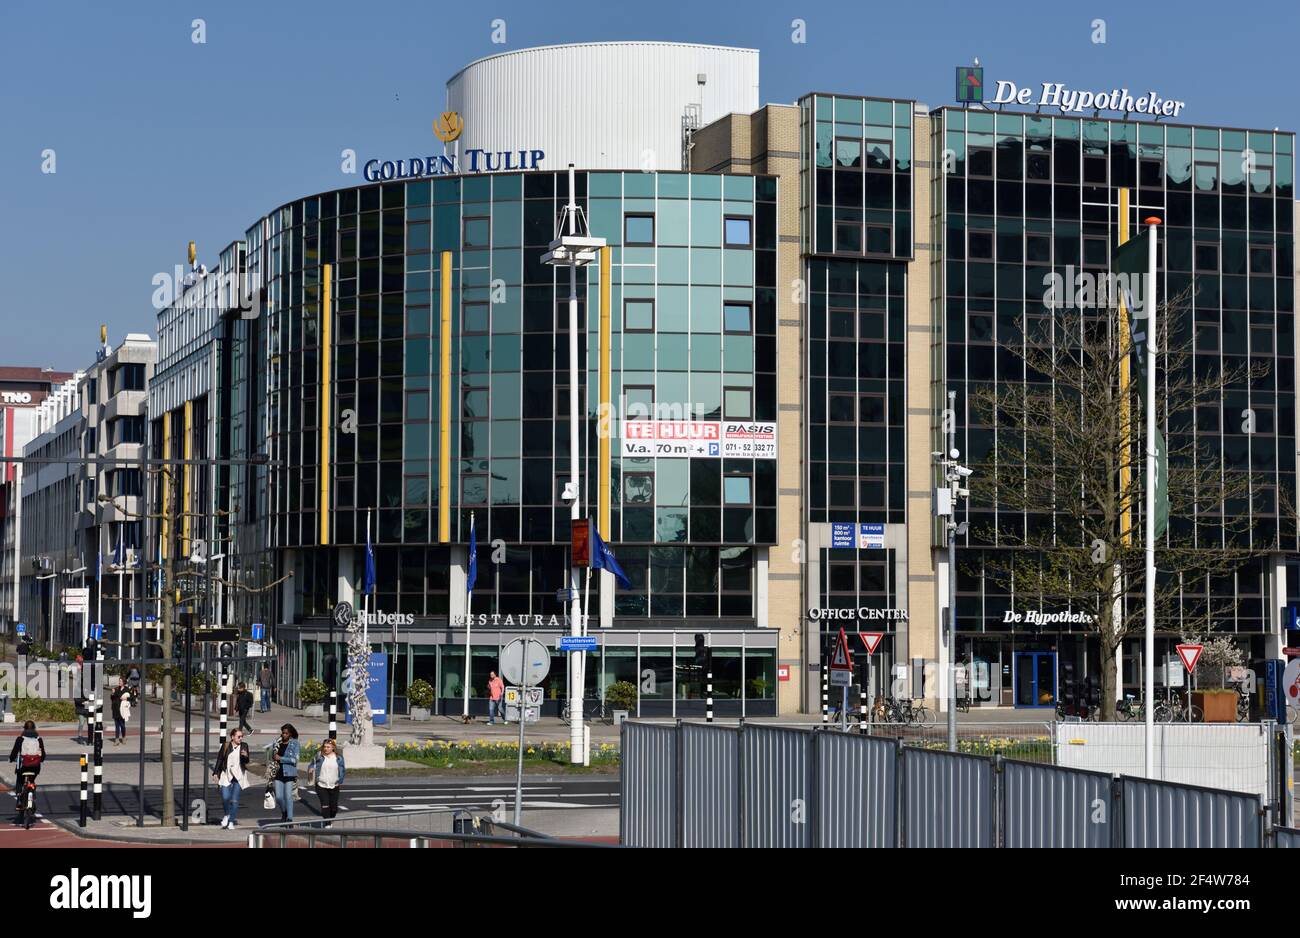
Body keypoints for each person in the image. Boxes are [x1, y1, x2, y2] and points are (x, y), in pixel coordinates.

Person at [211, 727, 250, 829]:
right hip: (226, 774)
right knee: (225, 797)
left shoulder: (244, 746)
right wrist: (215, 773)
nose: (240, 738)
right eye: (238, 736)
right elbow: (220, 759)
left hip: (238, 775)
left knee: (234, 800)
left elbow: (246, 761)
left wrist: (245, 756)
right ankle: (227, 815)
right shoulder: (225, 746)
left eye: (242, 736)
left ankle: (231, 821)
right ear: (232, 737)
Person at [9, 721, 46, 824]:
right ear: (34, 728)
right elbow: (43, 755)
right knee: (32, 779)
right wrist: (40, 760)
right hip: (35, 767)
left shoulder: (20, 739)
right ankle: (32, 794)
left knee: (20, 781)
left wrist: (11, 759)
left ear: (24, 729)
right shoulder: (39, 739)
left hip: (23, 767)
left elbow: (14, 752)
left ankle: (20, 799)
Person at [308, 738, 345, 827]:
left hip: (334, 785)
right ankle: (327, 823)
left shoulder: (339, 758)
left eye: (328, 747)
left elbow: (343, 770)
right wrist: (311, 768)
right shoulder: (319, 756)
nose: (326, 749)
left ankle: (331, 819)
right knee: (325, 805)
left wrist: (340, 780)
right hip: (321, 785)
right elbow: (312, 764)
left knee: (334, 808)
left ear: (333, 747)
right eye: (324, 747)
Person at [268, 723, 300, 822]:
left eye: (286, 733)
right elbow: (271, 756)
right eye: (283, 733)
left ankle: (289, 818)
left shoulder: (295, 743)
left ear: (290, 734)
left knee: (288, 796)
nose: (284, 735)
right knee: (279, 797)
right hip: (278, 772)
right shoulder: (277, 742)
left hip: (289, 772)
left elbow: (295, 760)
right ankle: (284, 811)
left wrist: (281, 758)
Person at [110, 676, 131, 745]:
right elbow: (112, 698)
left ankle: (124, 737)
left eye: (121, 681)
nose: (119, 682)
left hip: (122, 709)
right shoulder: (116, 689)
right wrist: (112, 693)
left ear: (124, 682)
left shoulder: (127, 689)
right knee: (116, 725)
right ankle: (117, 740)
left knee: (122, 724)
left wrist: (126, 699)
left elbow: (131, 698)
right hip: (115, 709)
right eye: (119, 681)